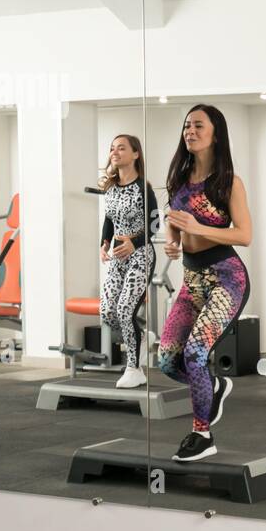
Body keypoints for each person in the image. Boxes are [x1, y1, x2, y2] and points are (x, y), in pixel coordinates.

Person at [159, 105, 253, 462]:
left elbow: (245, 235)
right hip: (191, 279)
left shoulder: (228, 182)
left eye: (198, 125)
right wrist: (172, 238)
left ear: (216, 134)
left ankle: (202, 433)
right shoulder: (180, 179)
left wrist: (199, 229)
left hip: (226, 278)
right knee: (169, 361)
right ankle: (213, 387)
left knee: (196, 354)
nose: (190, 131)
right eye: (187, 126)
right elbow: (175, 219)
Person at [98, 135, 158, 390]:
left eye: (121, 148)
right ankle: (142, 336)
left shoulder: (144, 188)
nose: (115, 152)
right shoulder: (110, 187)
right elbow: (109, 219)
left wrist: (135, 242)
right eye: (112, 148)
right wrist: (104, 243)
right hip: (118, 259)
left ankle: (134, 369)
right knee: (107, 311)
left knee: (125, 309)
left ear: (135, 154)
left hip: (140, 255)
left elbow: (154, 224)